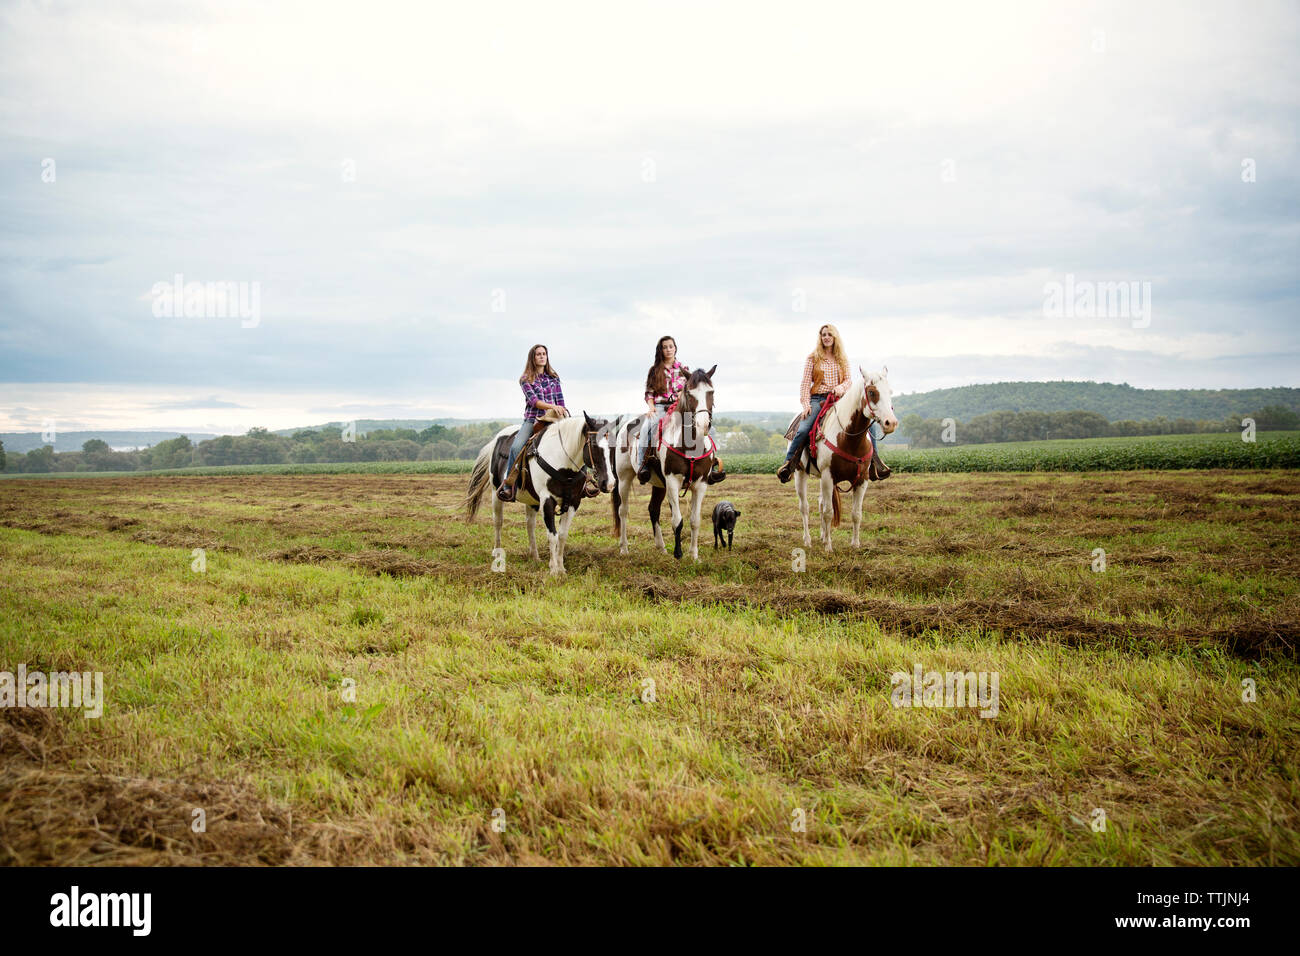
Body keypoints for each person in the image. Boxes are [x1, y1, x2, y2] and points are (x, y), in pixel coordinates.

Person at [777, 324, 890, 483]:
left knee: (868, 423)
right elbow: (804, 383)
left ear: (835, 337)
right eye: (823, 335)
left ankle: (874, 463)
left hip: (841, 400)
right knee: (803, 430)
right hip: (818, 399)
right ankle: (788, 464)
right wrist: (806, 404)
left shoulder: (842, 358)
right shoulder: (812, 358)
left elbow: (848, 380)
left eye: (829, 334)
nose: (826, 337)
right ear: (820, 338)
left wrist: (840, 388)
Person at [498, 344, 568, 502]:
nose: (542, 356)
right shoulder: (525, 379)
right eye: (539, 354)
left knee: (576, 440)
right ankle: (509, 484)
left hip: (555, 420)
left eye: (544, 354)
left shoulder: (553, 378)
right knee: (516, 447)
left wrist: (562, 410)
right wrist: (553, 406)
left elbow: (560, 400)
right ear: (533, 357)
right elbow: (534, 401)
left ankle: (584, 481)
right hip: (534, 420)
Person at [636, 336, 688, 484]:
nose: (668, 349)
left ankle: (709, 464)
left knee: (700, 426)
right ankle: (643, 465)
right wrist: (651, 408)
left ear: (675, 348)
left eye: (671, 346)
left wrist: (682, 394)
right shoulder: (655, 370)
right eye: (665, 347)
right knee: (646, 429)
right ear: (661, 350)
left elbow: (689, 390)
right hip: (660, 407)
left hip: (679, 408)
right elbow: (649, 393)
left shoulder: (684, 369)